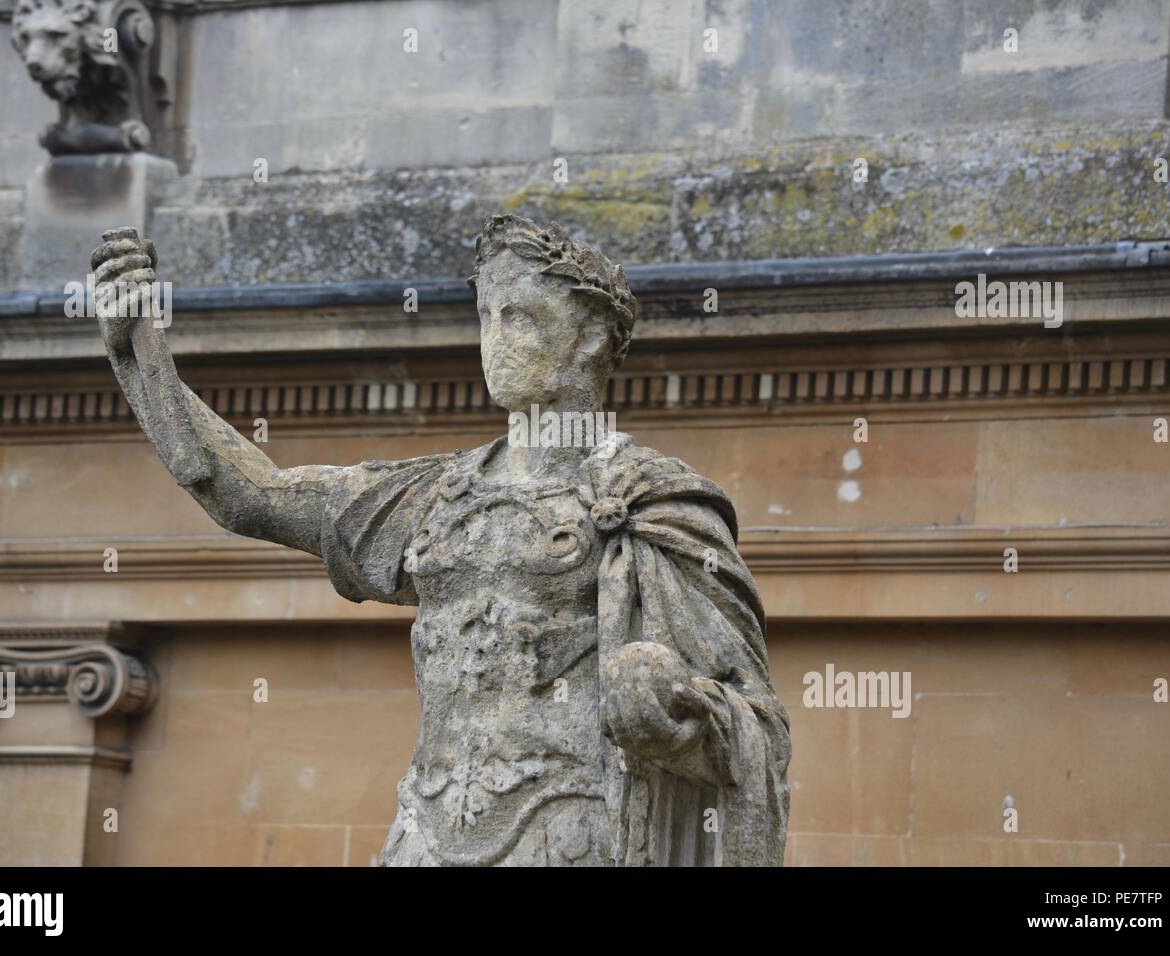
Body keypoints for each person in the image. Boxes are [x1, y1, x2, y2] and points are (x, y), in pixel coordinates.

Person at [90, 214, 791, 866]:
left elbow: (755, 726)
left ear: (592, 338)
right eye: (486, 316)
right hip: (421, 836)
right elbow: (253, 496)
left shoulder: (651, 503)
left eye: (520, 317)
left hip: (570, 836)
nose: (495, 338)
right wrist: (142, 354)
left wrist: (675, 713)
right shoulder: (431, 495)